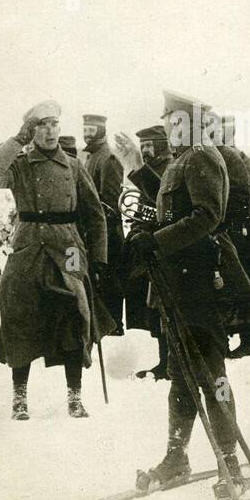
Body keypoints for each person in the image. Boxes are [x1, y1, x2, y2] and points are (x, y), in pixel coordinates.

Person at [127, 91, 250, 494]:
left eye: (178, 121)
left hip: (199, 284)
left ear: (197, 123)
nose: (170, 127)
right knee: (181, 374)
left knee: (210, 372)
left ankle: (230, 464)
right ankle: (176, 457)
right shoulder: (180, 160)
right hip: (176, 285)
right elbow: (174, 210)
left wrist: (157, 241)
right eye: (169, 120)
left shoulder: (201, 156)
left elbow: (207, 216)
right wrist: (148, 233)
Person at [0, 100, 113, 420]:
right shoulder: (22, 164)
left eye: (54, 124)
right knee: (19, 317)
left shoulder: (74, 165)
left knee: (74, 317)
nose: (50, 131)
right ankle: (20, 398)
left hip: (67, 249)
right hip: (28, 248)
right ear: (31, 131)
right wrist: (17, 141)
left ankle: (74, 397)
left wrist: (98, 259)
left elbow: (95, 216)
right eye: (42, 126)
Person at [113, 124, 173, 377]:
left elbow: (164, 205)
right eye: (143, 146)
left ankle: (172, 362)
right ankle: (164, 361)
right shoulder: (153, 168)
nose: (146, 151)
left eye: (150, 146)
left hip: (164, 244)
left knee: (165, 308)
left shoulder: (169, 167)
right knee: (154, 308)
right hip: (148, 243)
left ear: (161, 145)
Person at [212, 112, 250, 359]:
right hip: (228, 230)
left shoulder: (237, 157)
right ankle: (225, 338)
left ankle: (249, 340)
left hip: (241, 232)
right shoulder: (209, 156)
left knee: (241, 286)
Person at [82, 113, 127, 335]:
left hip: (107, 230)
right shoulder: (91, 157)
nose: (87, 134)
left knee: (109, 279)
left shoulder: (108, 158)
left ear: (101, 131)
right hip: (94, 229)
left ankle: (114, 325)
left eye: (91, 130)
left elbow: (109, 203)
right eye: (86, 129)